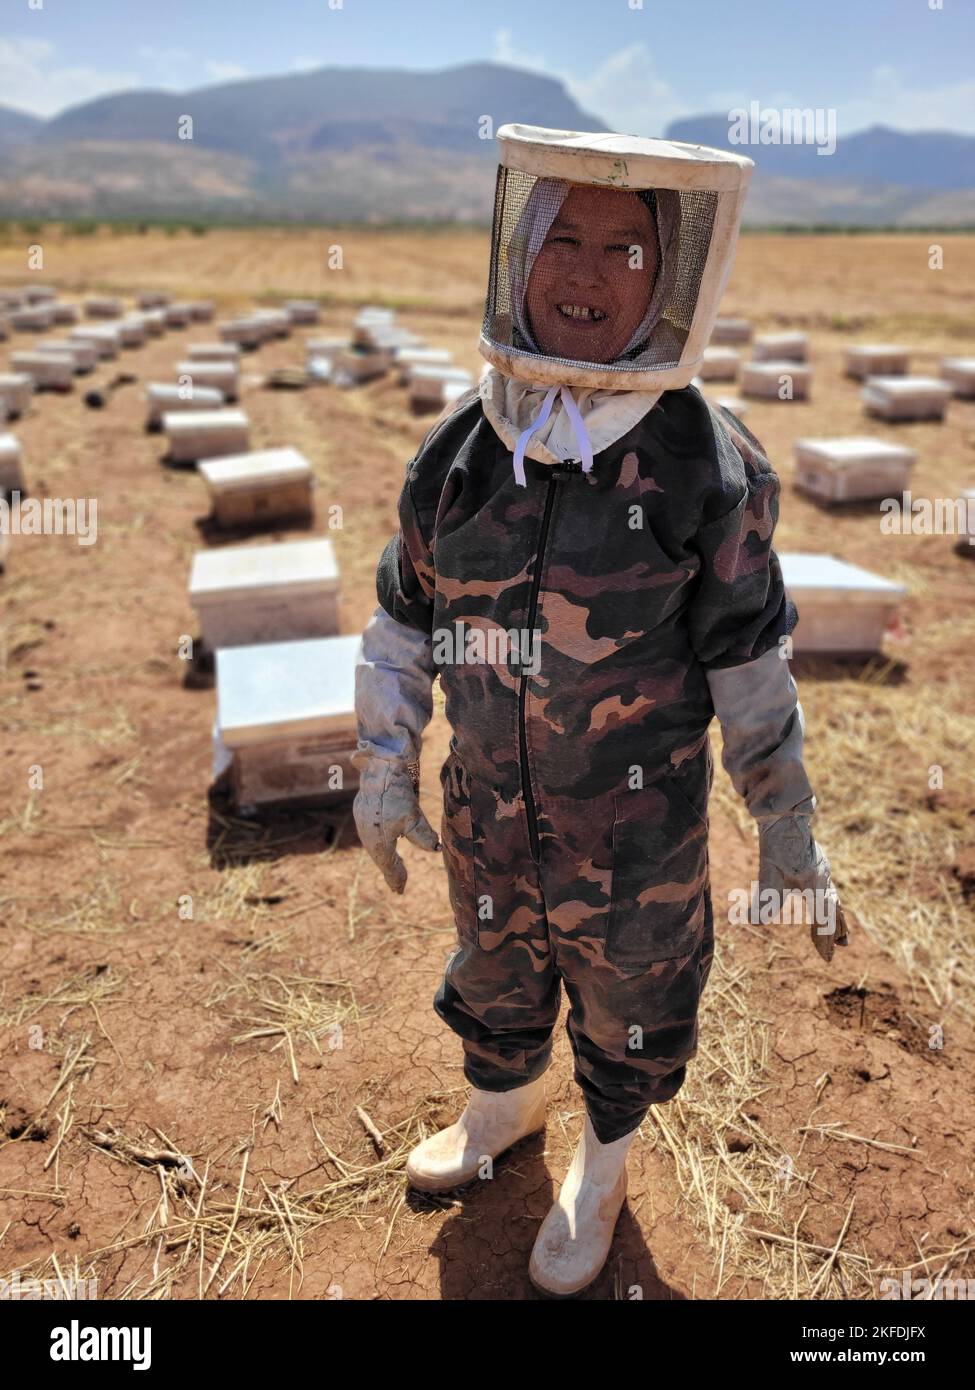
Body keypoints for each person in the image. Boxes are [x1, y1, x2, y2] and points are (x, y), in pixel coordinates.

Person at [352, 124, 848, 1298]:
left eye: (624, 250)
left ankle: (604, 1162)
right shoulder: (461, 454)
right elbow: (400, 619)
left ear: (670, 277)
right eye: (559, 236)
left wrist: (787, 822)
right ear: (514, 251)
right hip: (485, 817)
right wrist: (381, 762)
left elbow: (751, 664)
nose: (584, 271)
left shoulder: (705, 468)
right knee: (494, 975)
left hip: (635, 844)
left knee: (632, 1009)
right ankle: (501, 1108)